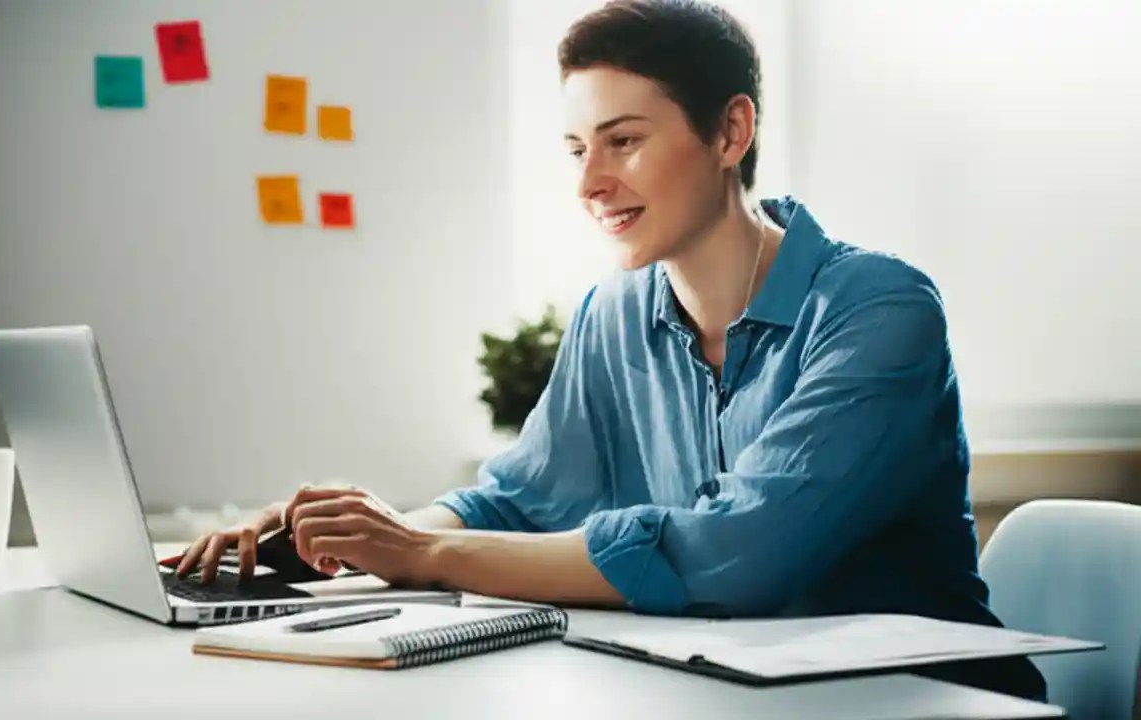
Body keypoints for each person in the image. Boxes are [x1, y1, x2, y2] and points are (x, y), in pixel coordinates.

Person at [177, 0, 1045, 701]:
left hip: (924, 701)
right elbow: (515, 504)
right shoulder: (613, 315)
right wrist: (357, 535)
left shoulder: (879, 309)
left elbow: (740, 552)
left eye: (623, 141)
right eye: (575, 149)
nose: (590, 182)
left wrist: (421, 554)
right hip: (736, 699)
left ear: (731, 132)